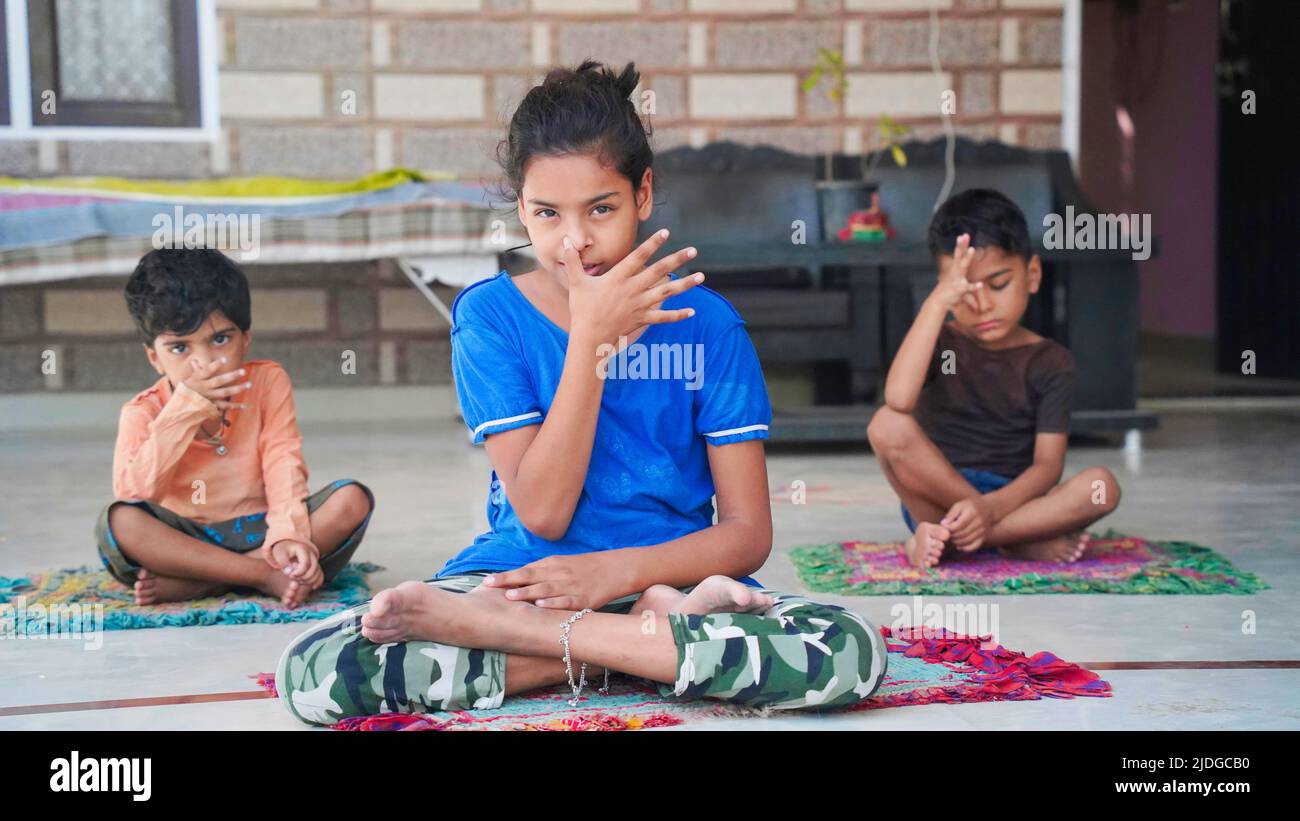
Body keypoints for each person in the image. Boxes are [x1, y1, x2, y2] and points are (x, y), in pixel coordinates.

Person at [275, 60, 886, 725]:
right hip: (524, 577)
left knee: (847, 651)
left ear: (643, 193)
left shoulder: (707, 325)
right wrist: (592, 343)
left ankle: (551, 644)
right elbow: (543, 513)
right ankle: (647, 645)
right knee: (319, 669)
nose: (575, 243)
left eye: (601, 208)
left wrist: (610, 577)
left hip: (668, 577)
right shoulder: (490, 318)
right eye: (546, 213)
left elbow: (747, 532)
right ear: (520, 209)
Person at [95, 248, 374, 607]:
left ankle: (203, 584)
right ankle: (261, 575)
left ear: (246, 338)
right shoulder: (142, 411)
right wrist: (185, 410)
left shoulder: (268, 381)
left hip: (265, 530)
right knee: (119, 522)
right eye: (179, 347)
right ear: (155, 358)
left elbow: (282, 462)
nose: (204, 362)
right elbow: (135, 493)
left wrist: (288, 536)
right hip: (186, 540)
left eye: (220, 339)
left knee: (352, 499)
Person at [867, 188, 1122, 568]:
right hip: (936, 500)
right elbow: (899, 400)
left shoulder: (1051, 361)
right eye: (964, 290)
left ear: (1032, 274)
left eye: (999, 284)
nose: (983, 304)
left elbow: (1047, 468)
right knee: (886, 424)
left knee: (1103, 486)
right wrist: (937, 304)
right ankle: (1014, 540)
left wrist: (987, 509)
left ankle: (964, 541)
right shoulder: (940, 339)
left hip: (1015, 500)